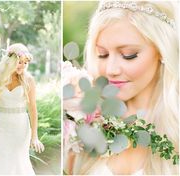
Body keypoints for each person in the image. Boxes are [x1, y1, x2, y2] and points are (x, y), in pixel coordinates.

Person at [63, 1, 178, 175]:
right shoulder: (81, 121)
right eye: (102, 54)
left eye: (128, 55)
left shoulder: (174, 130)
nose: (110, 70)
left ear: (161, 51)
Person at [0, 43, 45, 175]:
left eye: (25, 63)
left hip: (20, 127)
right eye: (19, 62)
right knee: (1, 157)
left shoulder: (29, 80)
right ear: (10, 61)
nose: (22, 66)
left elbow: (33, 110)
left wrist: (35, 136)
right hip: (1, 125)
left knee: (19, 159)